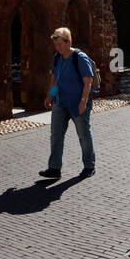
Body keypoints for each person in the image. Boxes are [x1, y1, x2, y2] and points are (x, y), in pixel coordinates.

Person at [40, 26, 95, 179]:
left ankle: (89, 166)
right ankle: (54, 168)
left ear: (68, 42)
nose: (57, 47)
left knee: (83, 135)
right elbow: (54, 79)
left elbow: (88, 82)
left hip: (78, 102)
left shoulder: (80, 58)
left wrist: (83, 101)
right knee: (56, 135)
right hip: (60, 103)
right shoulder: (57, 58)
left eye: (59, 44)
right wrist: (50, 96)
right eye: (55, 45)